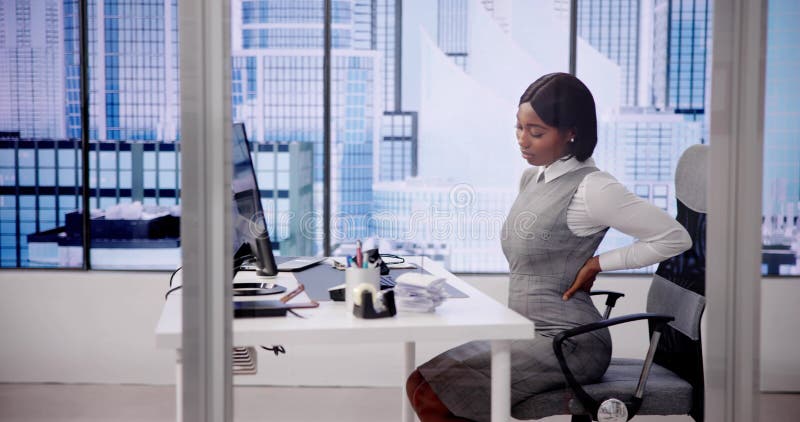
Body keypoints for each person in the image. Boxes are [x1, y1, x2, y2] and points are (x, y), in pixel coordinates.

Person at [405, 72, 693, 422]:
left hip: (570, 342)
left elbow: (675, 237)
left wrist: (599, 263)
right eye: (519, 128)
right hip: (525, 332)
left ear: (571, 132)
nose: (523, 141)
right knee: (420, 381)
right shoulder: (532, 178)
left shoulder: (594, 188)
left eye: (536, 132)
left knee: (438, 394)